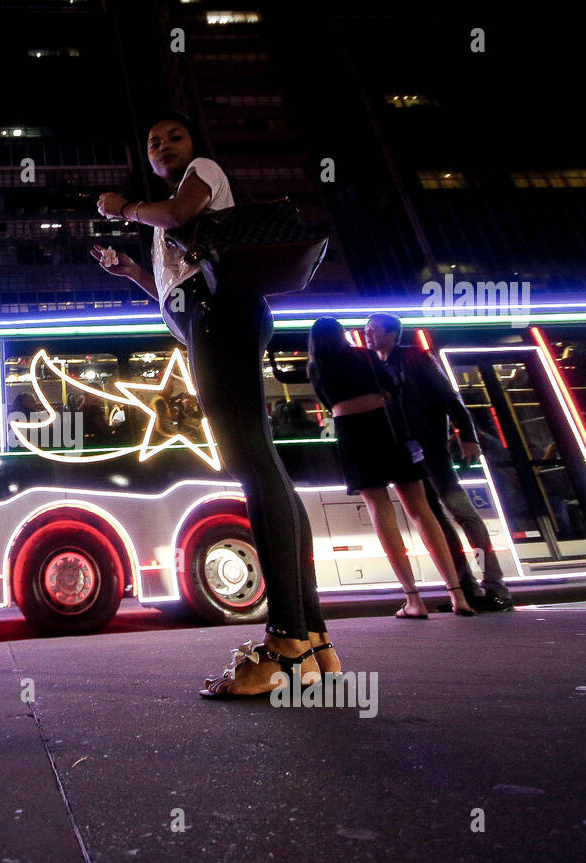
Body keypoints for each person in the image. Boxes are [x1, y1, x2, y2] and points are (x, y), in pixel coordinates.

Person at [91, 112, 335, 696]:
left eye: (173, 137)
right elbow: (173, 290)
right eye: (155, 143)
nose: (165, 146)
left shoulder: (197, 179)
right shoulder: (170, 214)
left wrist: (123, 207)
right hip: (209, 319)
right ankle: (317, 646)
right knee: (261, 464)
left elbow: (179, 217)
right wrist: (130, 271)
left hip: (221, 316)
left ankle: (286, 644)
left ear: (191, 146)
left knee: (252, 464)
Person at [279, 318, 475, 618]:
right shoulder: (366, 356)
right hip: (388, 430)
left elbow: (330, 404)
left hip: (354, 436)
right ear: (343, 335)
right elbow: (391, 389)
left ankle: (413, 599)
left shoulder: (316, 367)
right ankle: (457, 595)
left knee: (379, 511)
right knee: (421, 510)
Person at [363, 312, 513, 612]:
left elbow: (450, 398)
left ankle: (495, 585)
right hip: (408, 456)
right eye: (366, 330)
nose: (368, 334)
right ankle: (465, 586)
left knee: (462, 514)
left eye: (374, 329)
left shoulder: (416, 358)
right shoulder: (375, 366)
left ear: (393, 334)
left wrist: (467, 435)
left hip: (432, 449)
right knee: (438, 523)